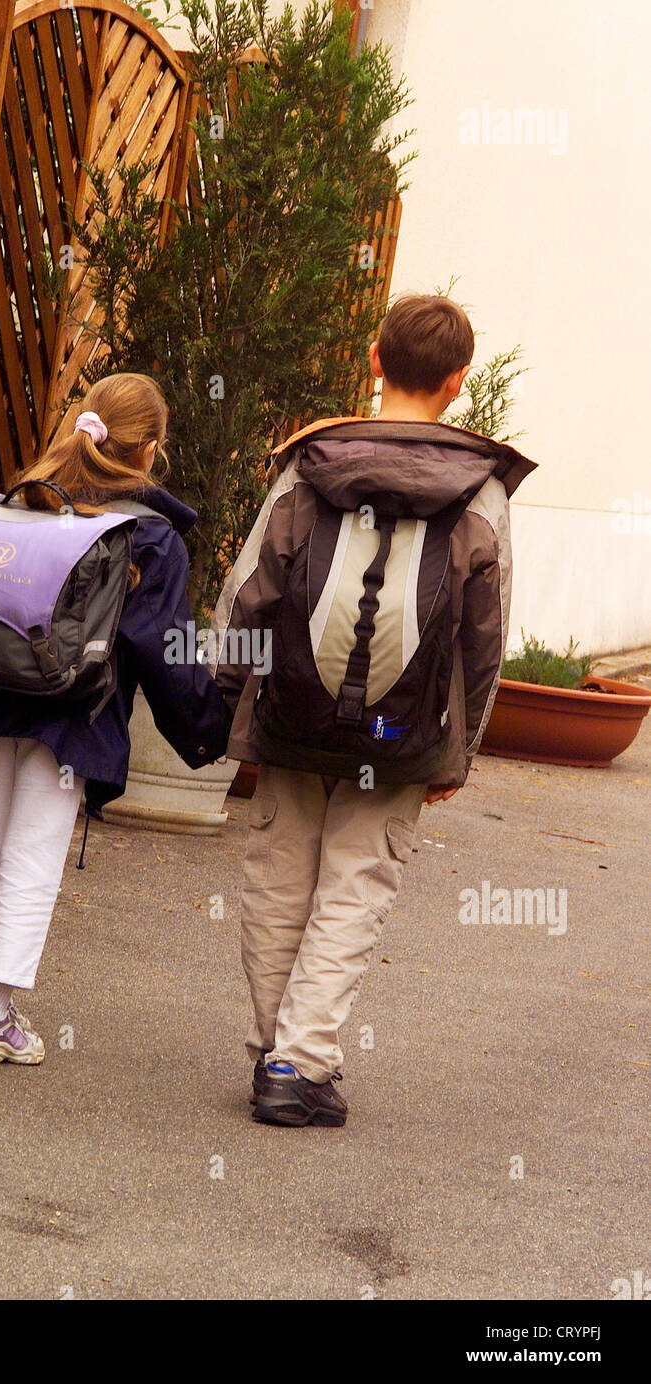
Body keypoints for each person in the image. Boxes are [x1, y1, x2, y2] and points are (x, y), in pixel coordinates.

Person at [211, 294, 537, 1126]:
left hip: (293, 711)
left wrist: (223, 706)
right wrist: (454, 755)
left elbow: (248, 592)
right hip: (402, 730)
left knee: (280, 874)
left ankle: (274, 1052)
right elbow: (485, 642)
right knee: (356, 884)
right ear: (459, 383)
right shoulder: (483, 493)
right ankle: (298, 1063)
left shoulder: (309, 463)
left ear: (373, 360)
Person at [0, 372, 232, 1064]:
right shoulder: (150, 533)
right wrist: (209, 727)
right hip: (76, 713)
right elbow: (161, 649)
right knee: (33, 853)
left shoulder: (30, 496)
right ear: (151, 450)